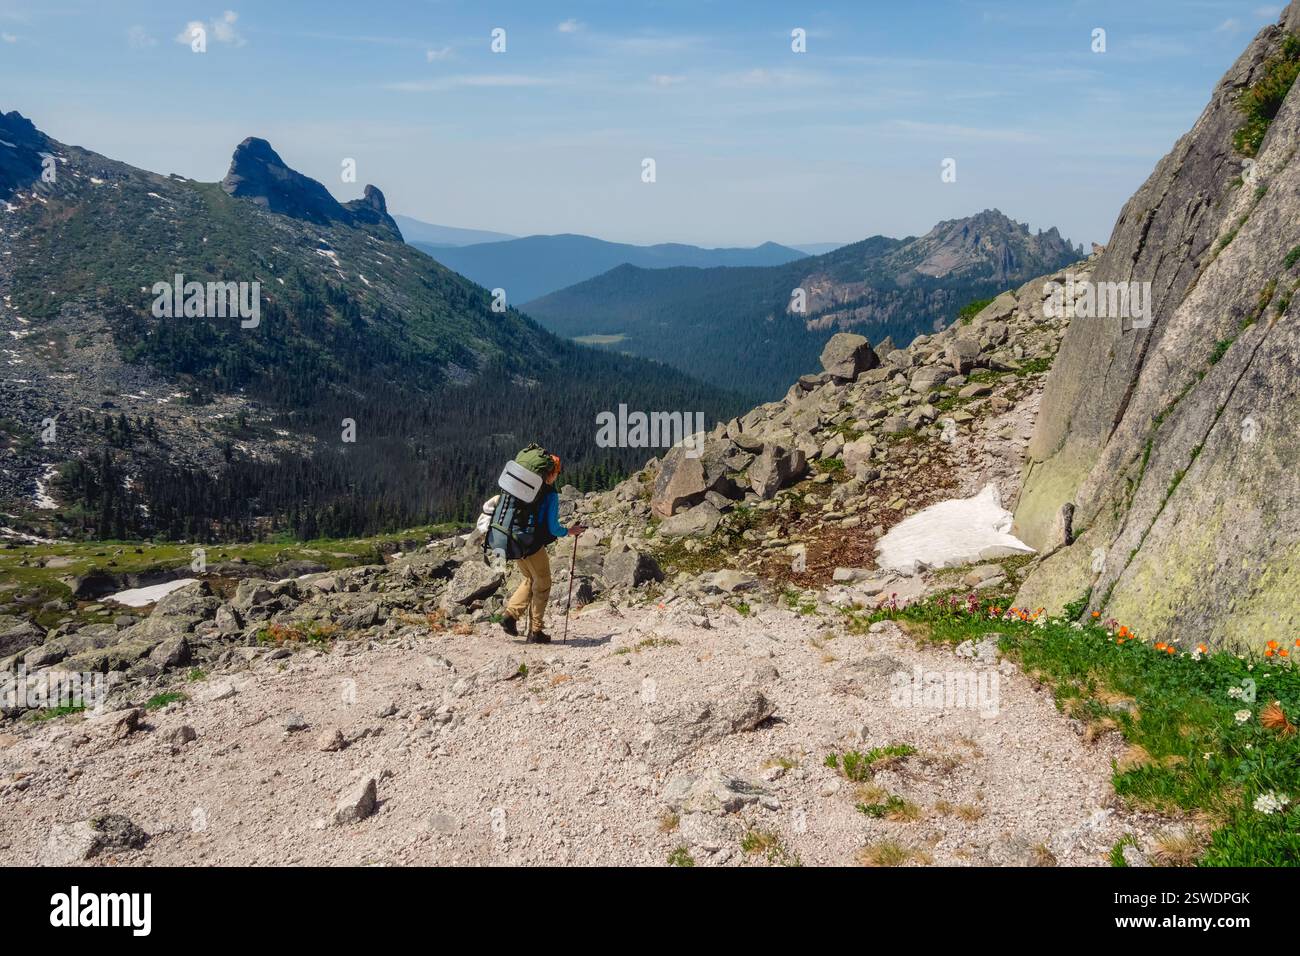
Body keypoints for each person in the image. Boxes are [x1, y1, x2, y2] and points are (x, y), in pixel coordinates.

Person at [500, 453, 584, 643]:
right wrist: (569, 531)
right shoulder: (549, 494)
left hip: (513, 539)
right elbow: (553, 528)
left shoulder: (523, 490)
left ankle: (509, 616)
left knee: (530, 578)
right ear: (551, 473)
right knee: (543, 583)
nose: (557, 476)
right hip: (532, 544)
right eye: (557, 472)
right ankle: (535, 631)